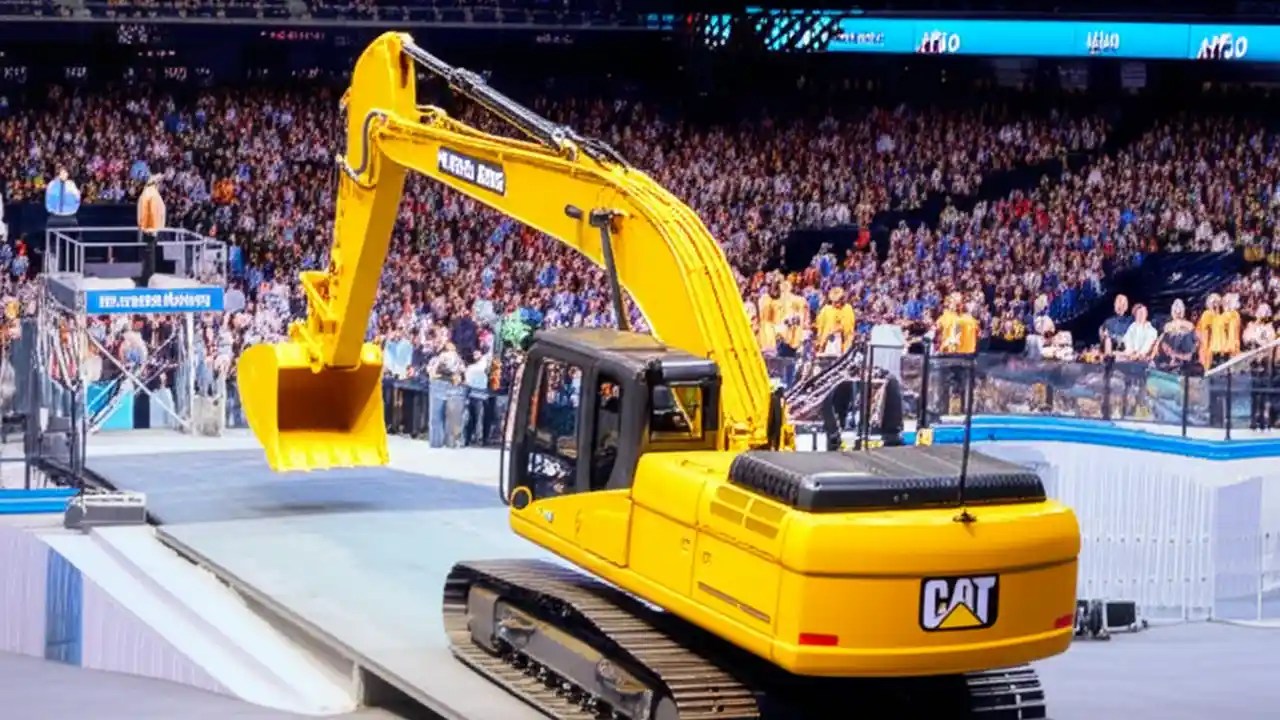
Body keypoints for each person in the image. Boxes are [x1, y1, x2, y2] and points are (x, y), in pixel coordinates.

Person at [137, 173, 167, 287]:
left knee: (150, 258)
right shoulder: (150, 194)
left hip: (152, 230)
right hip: (150, 230)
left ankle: (148, 279)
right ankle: (147, 281)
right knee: (149, 259)